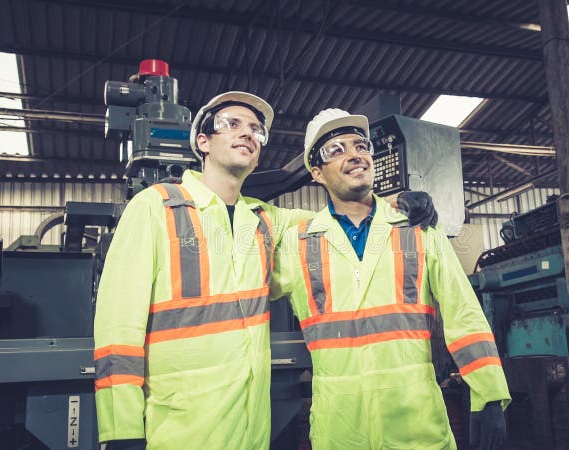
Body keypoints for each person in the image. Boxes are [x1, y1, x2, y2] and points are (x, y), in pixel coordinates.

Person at [93, 93, 438, 450]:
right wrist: (121, 430)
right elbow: (118, 325)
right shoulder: (156, 207)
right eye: (233, 124)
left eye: (256, 130)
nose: (247, 133)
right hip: (179, 431)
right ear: (202, 141)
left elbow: (340, 218)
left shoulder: (262, 221)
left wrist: (395, 203)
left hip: (250, 432)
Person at [271, 109, 511, 450]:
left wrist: (489, 392)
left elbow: (464, 312)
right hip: (340, 429)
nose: (354, 155)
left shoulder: (417, 228)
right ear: (316, 173)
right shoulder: (298, 243)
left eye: (360, 145)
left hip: (416, 426)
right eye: (336, 150)